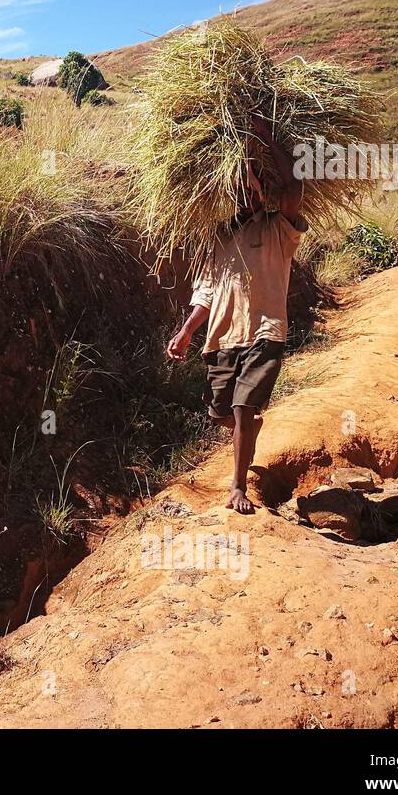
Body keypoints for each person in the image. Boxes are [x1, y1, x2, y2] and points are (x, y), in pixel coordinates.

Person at [166, 115, 307, 513]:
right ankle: (248, 429)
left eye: (254, 188)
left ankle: (238, 487)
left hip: (266, 331)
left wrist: (265, 136)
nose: (248, 196)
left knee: (244, 406)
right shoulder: (220, 238)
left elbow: (295, 186)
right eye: (241, 190)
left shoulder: (279, 228)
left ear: (264, 191)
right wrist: (186, 331)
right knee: (222, 414)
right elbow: (206, 293)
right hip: (223, 337)